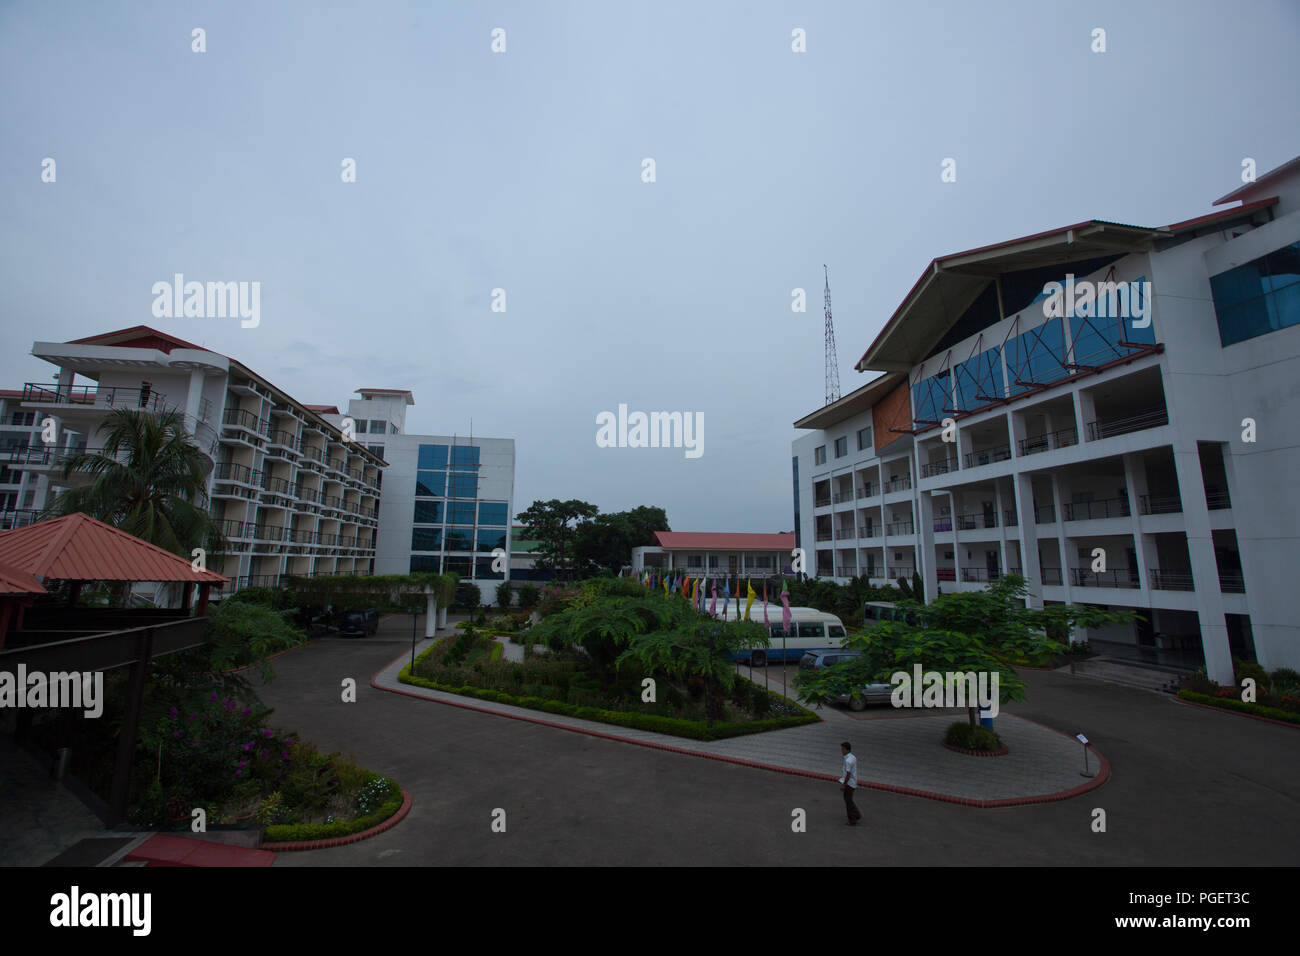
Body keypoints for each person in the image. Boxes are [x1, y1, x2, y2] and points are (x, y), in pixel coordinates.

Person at [838, 741, 861, 825]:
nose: (842, 751)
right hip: (853, 782)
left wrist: (844, 784)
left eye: (842, 749)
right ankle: (856, 814)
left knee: (848, 801)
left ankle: (852, 818)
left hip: (849, 783)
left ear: (846, 749)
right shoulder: (853, 757)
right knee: (849, 800)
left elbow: (848, 773)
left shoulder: (848, 761)